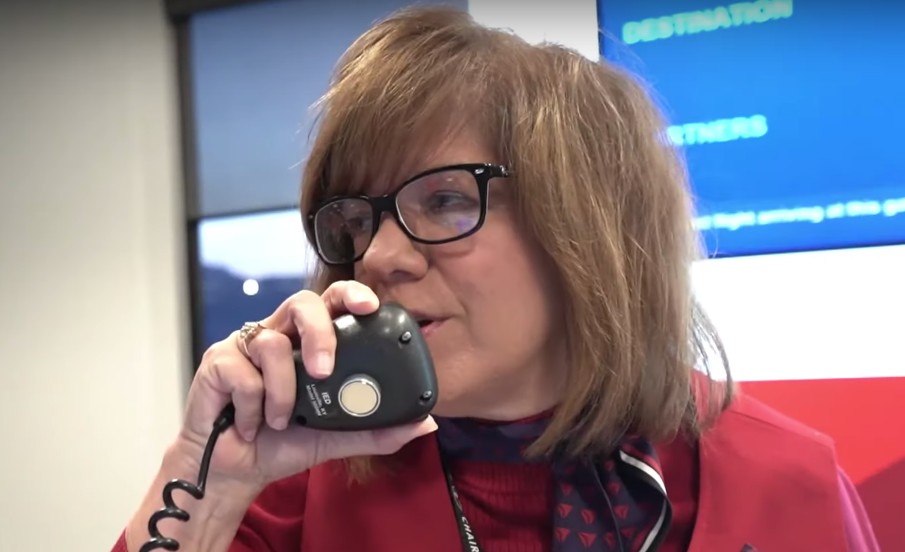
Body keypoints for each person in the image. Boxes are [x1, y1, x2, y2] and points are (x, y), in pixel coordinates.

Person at [111, 6, 879, 552]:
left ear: (589, 226)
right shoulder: (291, 488)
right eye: (356, 218)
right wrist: (202, 487)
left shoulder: (787, 478)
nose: (377, 257)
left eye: (444, 200)